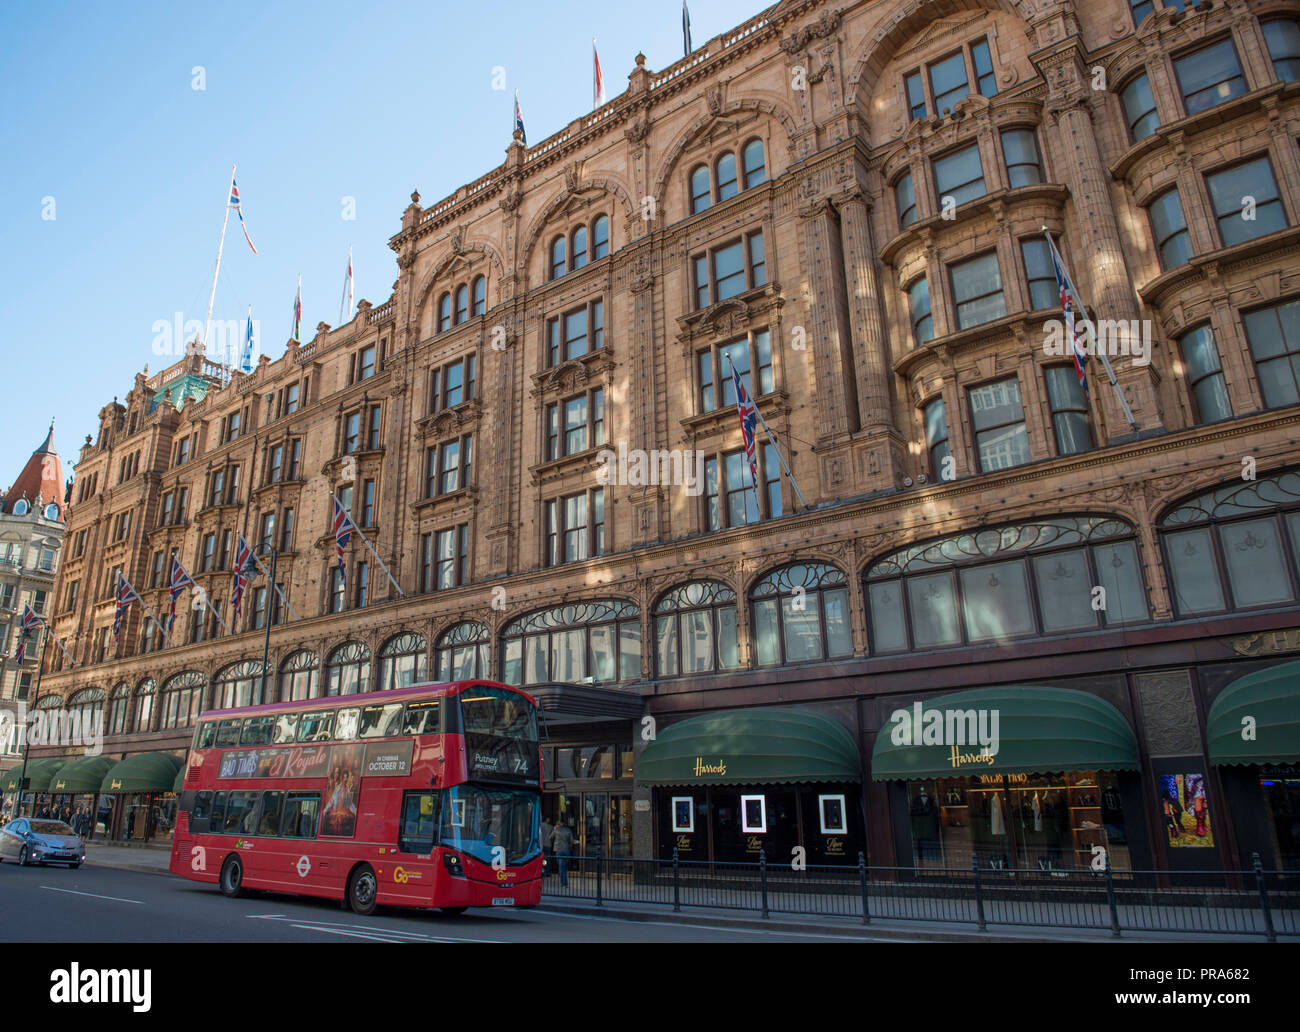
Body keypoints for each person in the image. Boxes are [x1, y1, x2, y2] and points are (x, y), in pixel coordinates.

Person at [550, 819, 574, 887]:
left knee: (561, 867)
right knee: (565, 867)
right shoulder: (568, 830)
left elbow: (550, 837)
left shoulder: (556, 830)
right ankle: (565, 882)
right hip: (566, 850)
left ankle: (563, 883)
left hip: (559, 849)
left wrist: (554, 830)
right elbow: (571, 841)